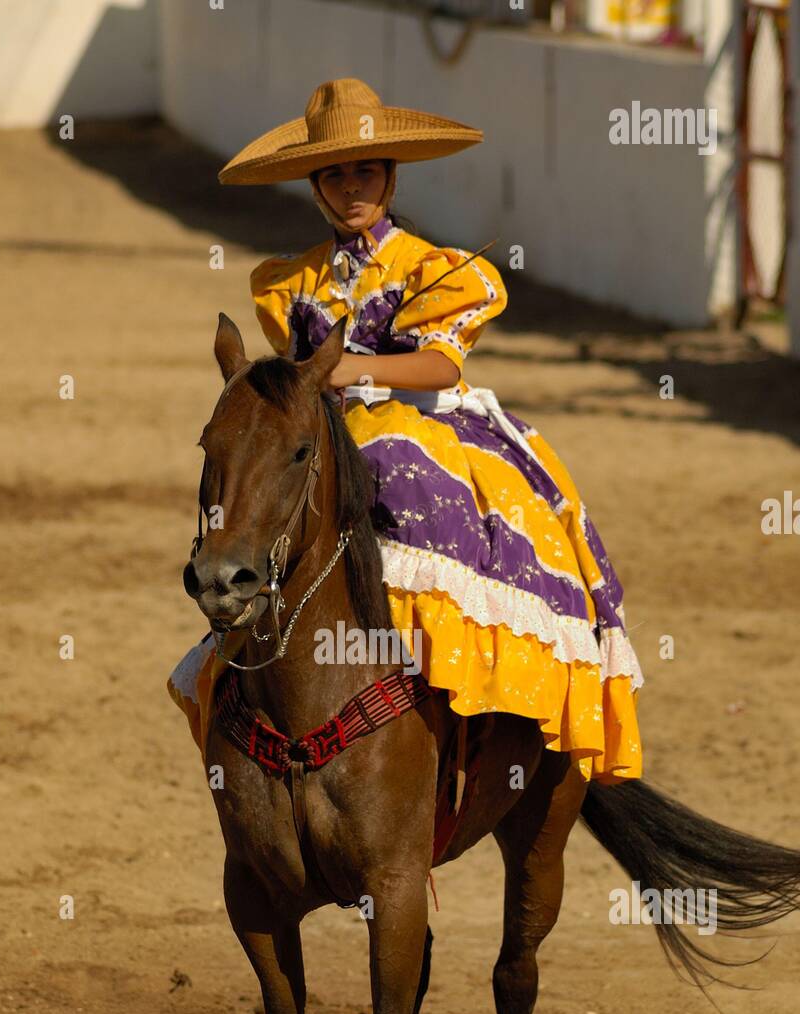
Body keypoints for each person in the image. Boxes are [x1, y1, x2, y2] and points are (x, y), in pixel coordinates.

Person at [169, 78, 643, 783]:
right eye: (335, 173)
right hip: (325, 426)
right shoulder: (290, 282)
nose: (352, 186)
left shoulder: (430, 268)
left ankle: (439, 687)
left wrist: (352, 369)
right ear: (316, 183)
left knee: (393, 459)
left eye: (365, 170)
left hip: (416, 421)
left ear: (390, 175)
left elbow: (443, 368)